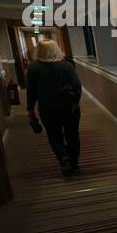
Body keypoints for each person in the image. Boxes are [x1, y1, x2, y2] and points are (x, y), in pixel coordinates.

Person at [26, 39, 83, 176]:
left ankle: (64, 158)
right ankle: (74, 163)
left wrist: (30, 110)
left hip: (47, 109)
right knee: (72, 135)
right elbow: (77, 86)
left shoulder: (33, 68)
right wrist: (75, 102)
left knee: (54, 136)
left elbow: (31, 92)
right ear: (56, 50)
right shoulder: (67, 66)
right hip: (69, 108)